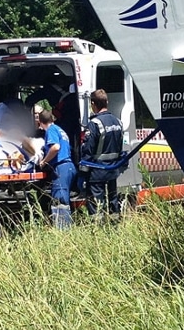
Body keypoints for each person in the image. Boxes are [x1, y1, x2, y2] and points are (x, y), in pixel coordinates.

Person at [80, 89, 124, 218]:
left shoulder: (94, 124)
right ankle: (115, 226)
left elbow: (88, 149)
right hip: (113, 169)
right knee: (113, 201)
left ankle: (98, 230)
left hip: (97, 171)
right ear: (107, 102)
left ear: (93, 103)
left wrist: (83, 170)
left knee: (96, 204)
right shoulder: (118, 122)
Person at [37, 109, 76, 229]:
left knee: (60, 201)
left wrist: (44, 161)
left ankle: (63, 232)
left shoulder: (51, 130)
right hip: (69, 166)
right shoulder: (60, 129)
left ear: (41, 122)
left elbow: (55, 147)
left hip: (61, 168)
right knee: (65, 199)